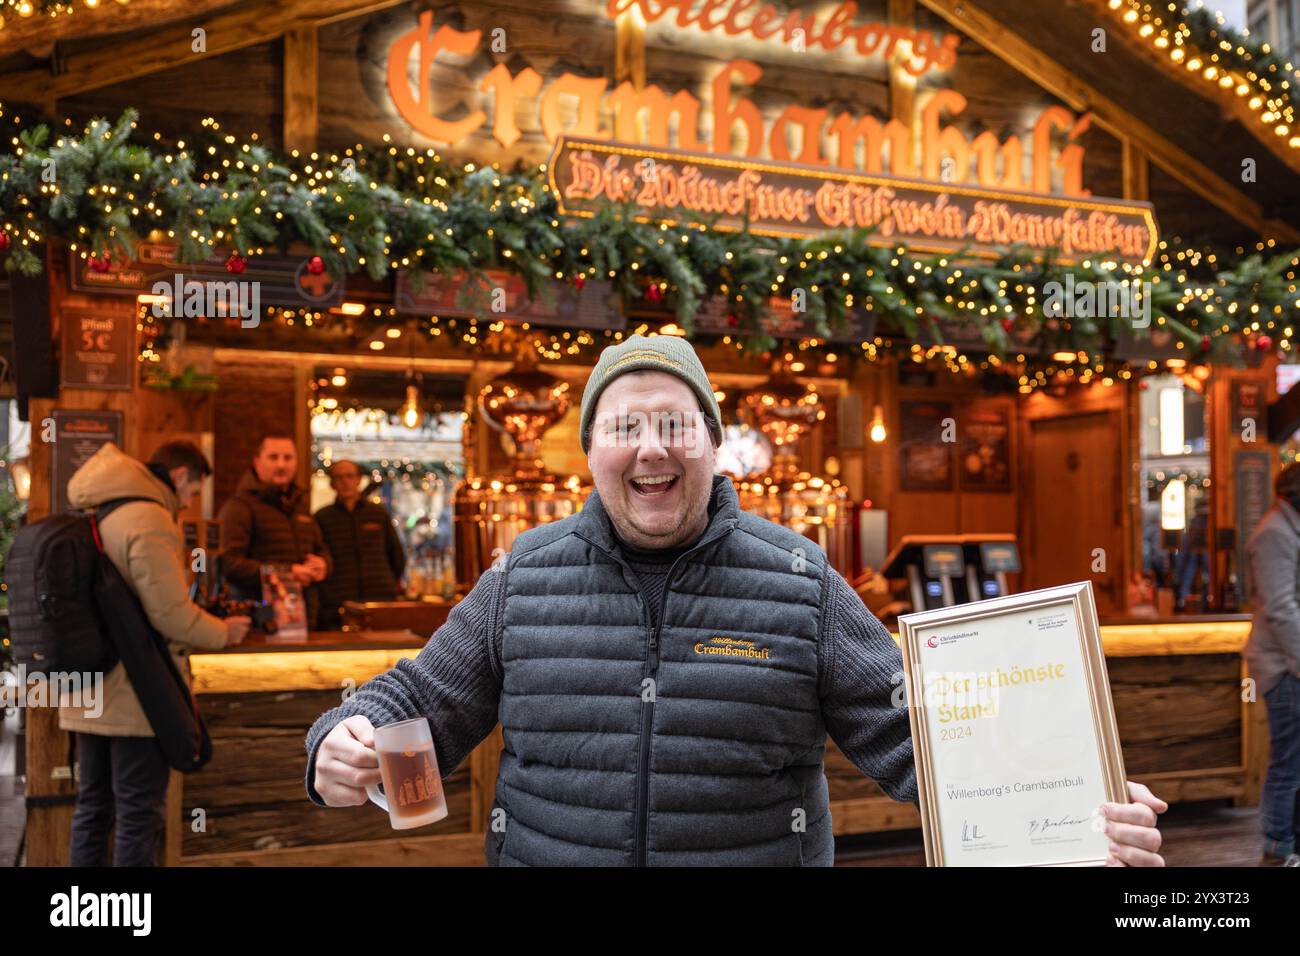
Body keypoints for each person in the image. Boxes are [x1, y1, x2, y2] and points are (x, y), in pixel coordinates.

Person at [304, 334, 1168, 866]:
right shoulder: (521, 573)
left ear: (716, 445)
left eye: (676, 424)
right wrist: (338, 741)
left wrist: (1076, 807)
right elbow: (419, 698)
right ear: (592, 451)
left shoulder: (799, 579)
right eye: (624, 427)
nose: (652, 448)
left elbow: (925, 730)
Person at [58, 441, 250, 866]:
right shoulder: (149, 517)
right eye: (194, 490)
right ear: (181, 476)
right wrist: (225, 631)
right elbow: (171, 614)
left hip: (84, 689)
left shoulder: (92, 509)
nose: (190, 501)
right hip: (135, 695)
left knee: (92, 808)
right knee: (137, 816)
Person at [1244, 461, 1300, 866]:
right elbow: (1281, 609)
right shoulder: (1274, 533)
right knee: (1289, 761)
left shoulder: (1287, 527)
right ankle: (1278, 849)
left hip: (1292, 661)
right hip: (1284, 666)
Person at [218, 431, 331, 628]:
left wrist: (324, 564)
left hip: (304, 619)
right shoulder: (239, 507)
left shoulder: (300, 506)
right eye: (273, 457)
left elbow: (321, 549)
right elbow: (229, 564)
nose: (281, 465)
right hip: (260, 621)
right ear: (256, 462)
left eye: (288, 458)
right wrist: (287, 573)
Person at [313, 459, 407, 629]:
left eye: (349, 476)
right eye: (339, 477)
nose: (345, 481)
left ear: (358, 479)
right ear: (332, 483)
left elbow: (396, 555)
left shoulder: (377, 513)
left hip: (380, 597)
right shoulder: (322, 517)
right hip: (338, 603)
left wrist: (388, 582)